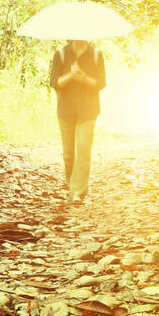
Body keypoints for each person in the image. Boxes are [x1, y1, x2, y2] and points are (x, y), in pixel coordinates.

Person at [49, 39, 106, 204]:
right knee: (68, 153)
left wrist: (84, 78)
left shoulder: (96, 54)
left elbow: (101, 83)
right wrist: (70, 76)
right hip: (66, 109)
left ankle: (77, 192)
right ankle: (71, 185)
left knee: (83, 148)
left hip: (88, 110)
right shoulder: (60, 54)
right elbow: (54, 82)